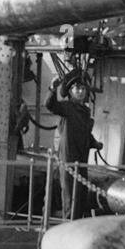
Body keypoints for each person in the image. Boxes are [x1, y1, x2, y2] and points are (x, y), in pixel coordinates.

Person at [45, 70, 103, 219]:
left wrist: (95, 144)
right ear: (70, 92)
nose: (81, 91)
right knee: (70, 199)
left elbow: (84, 134)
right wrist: (52, 89)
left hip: (81, 162)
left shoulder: (85, 111)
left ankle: (76, 226)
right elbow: (49, 105)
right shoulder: (67, 107)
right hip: (69, 163)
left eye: (83, 89)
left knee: (80, 198)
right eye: (77, 88)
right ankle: (69, 229)